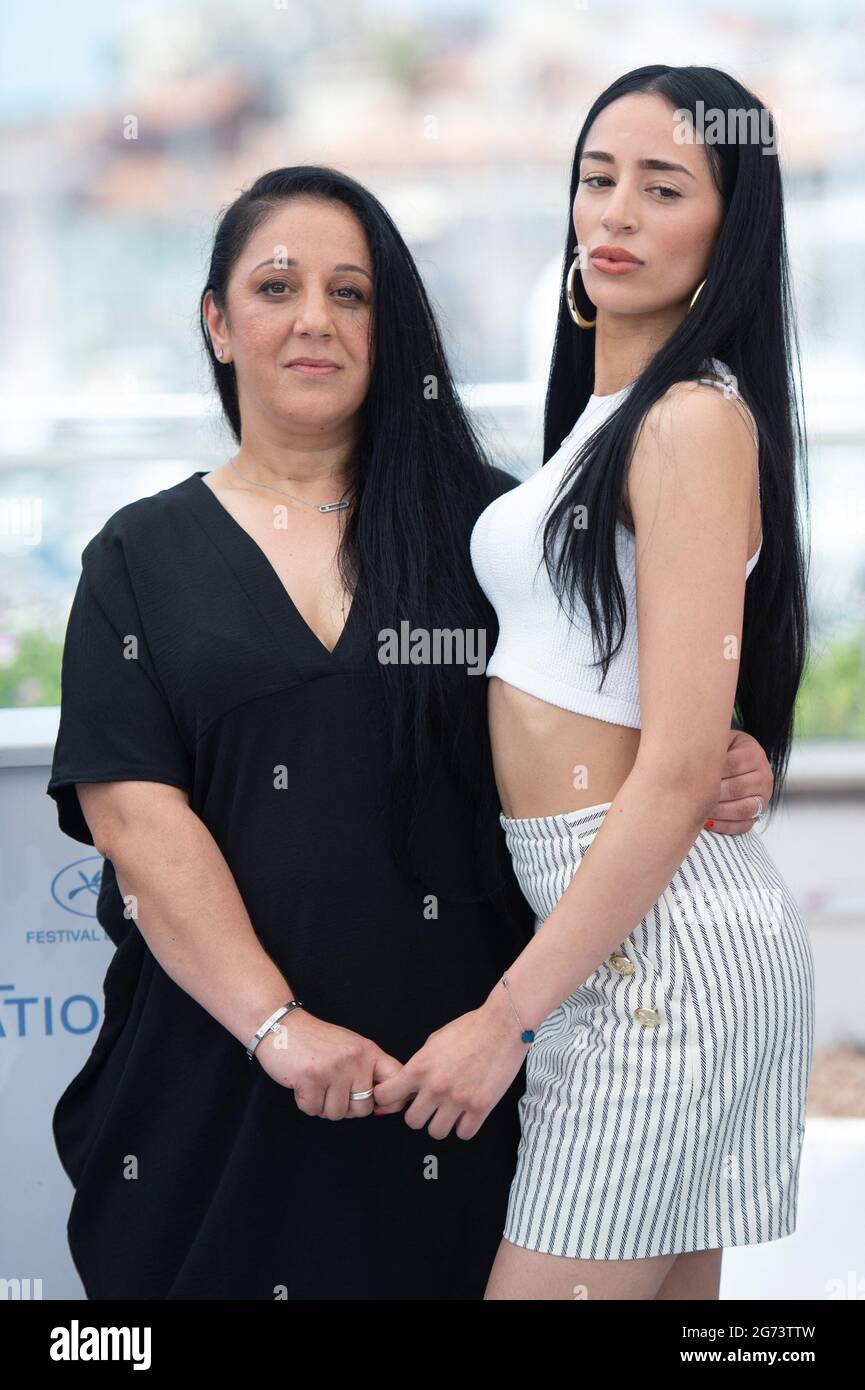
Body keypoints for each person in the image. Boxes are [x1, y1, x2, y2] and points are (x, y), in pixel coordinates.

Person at [47, 164, 776, 1300]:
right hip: (215, 1103)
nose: (315, 321)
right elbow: (139, 822)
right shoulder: (137, 560)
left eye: (353, 293)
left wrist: (720, 756)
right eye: (277, 286)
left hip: (466, 1097)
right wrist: (279, 1027)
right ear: (217, 322)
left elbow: (622, 706)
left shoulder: (492, 539)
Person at [372, 66, 814, 1303]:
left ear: (729, 231)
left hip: (654, 956)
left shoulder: (685, 422)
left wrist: (502, 1021)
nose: (613, 213)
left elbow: (674, 766)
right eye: (596, 178)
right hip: (629, 936)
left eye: (661, 187)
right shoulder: (614, 420)